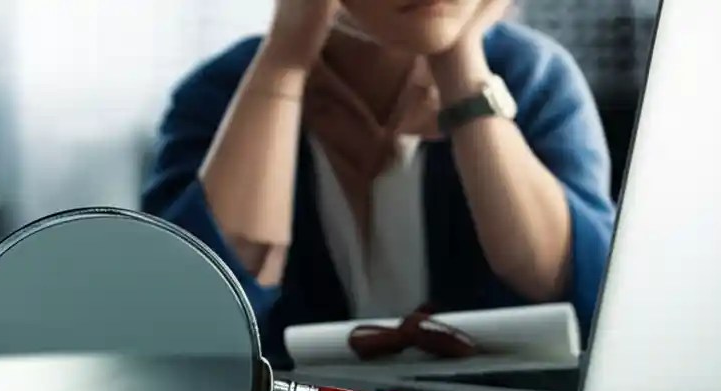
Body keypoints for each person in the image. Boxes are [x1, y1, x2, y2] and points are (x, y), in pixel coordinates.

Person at [141, 0, 615, 364]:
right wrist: (283, 62)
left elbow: (584, 300)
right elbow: (190, 320)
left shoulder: (534, 76)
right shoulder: (216, 97)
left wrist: (462, 69)